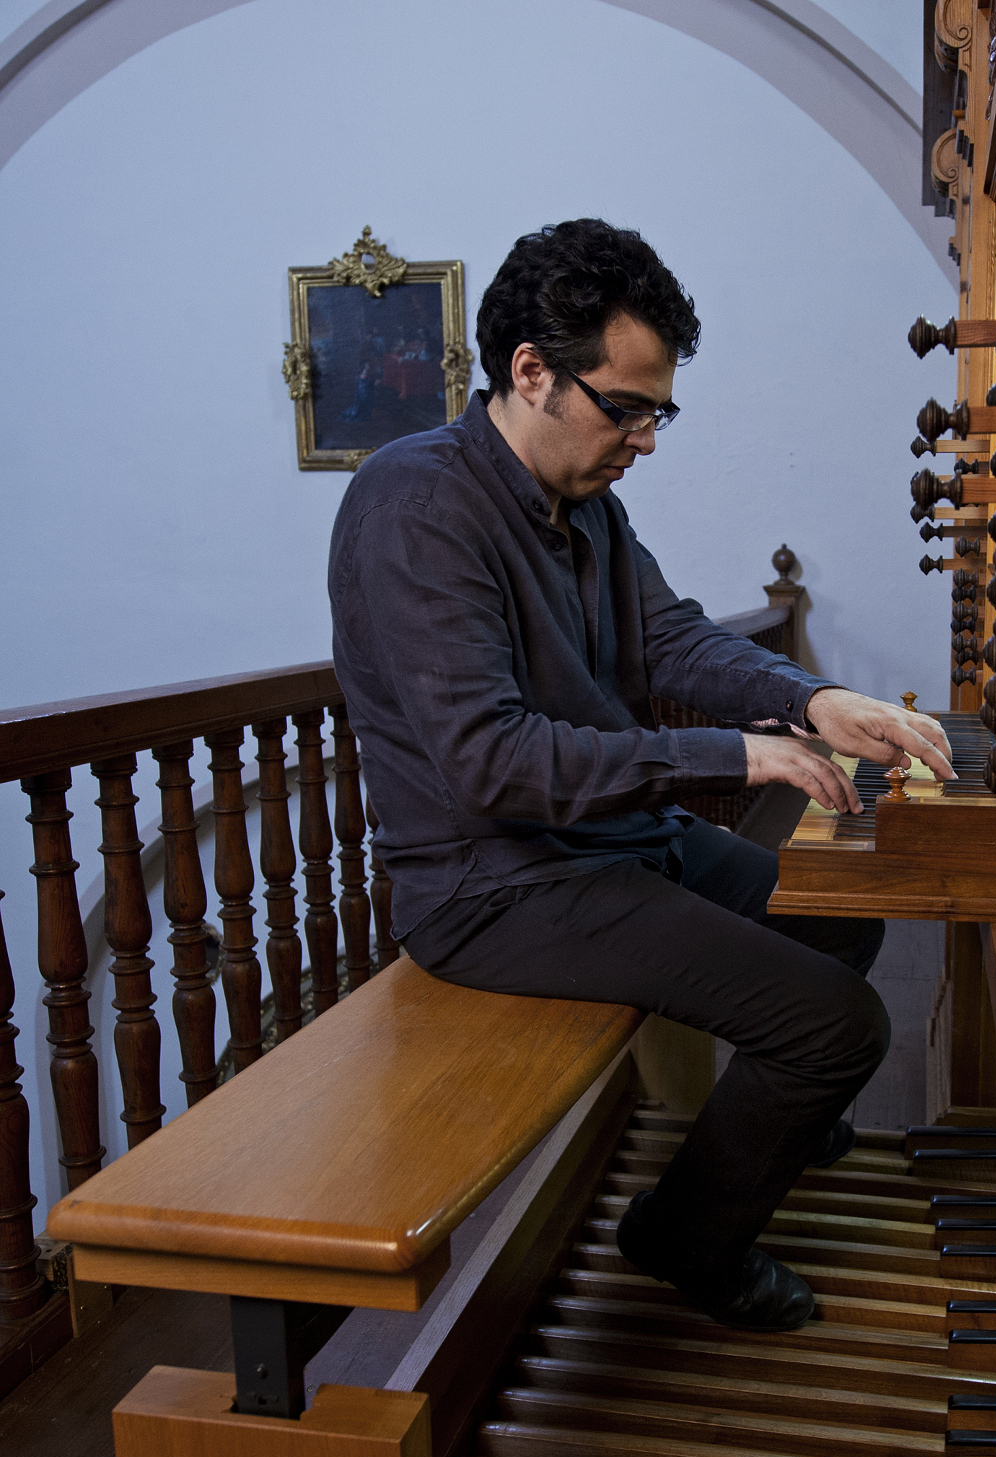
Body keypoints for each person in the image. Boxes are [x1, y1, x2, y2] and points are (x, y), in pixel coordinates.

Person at [328, 218, 954, 1331]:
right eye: (628, 408)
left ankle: (768, 1131)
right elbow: (491, 761)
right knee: (840, 1027)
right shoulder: (413, 505)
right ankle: (684, 1239)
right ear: (529, 372)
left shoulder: (590, 507)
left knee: (837, 916)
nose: (648, 439)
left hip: (606, 843)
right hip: (496, 884)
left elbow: (673, 641)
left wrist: (811, 701)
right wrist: (736, 752)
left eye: (659, 410)